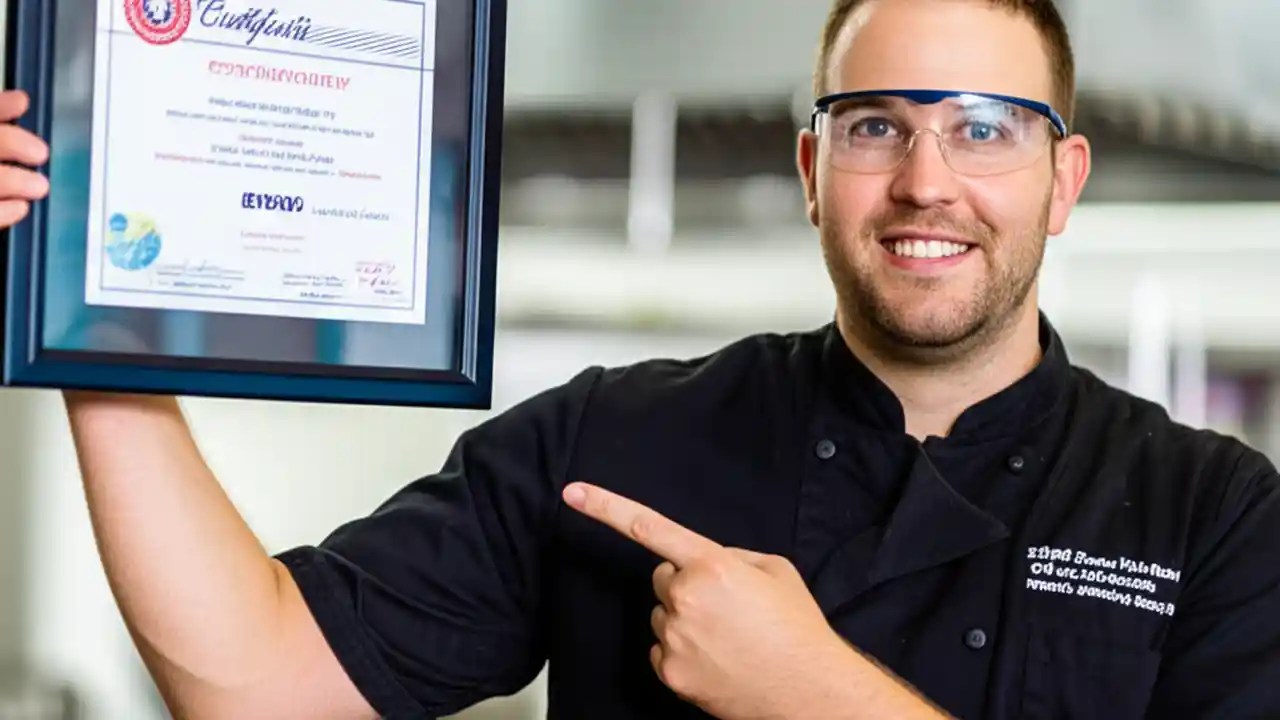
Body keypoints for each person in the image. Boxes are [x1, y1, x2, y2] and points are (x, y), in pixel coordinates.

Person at [1, 0, 1278, 717]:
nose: (924, 181)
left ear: (1062, 182)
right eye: (873, 125)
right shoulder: (611, 441)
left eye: (987, 130)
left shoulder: (1216, 511)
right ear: (809, 169)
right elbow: (252, 684)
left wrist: (813, 695)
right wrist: (83, 312)